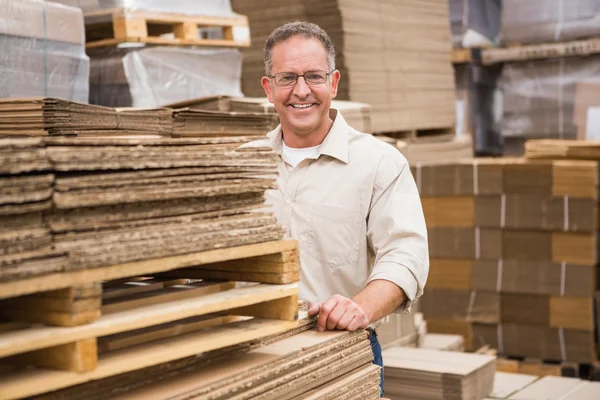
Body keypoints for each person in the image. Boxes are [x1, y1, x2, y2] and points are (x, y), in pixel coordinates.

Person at [246, 21, 429, 395]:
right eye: (286, 78)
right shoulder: (243, 165)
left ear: (334, 82)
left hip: (339, 352)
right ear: (268, 88)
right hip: (248, 356)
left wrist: (358, 307)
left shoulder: (379, 164)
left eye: (314, 76)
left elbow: (406, 256)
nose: (301, 91)